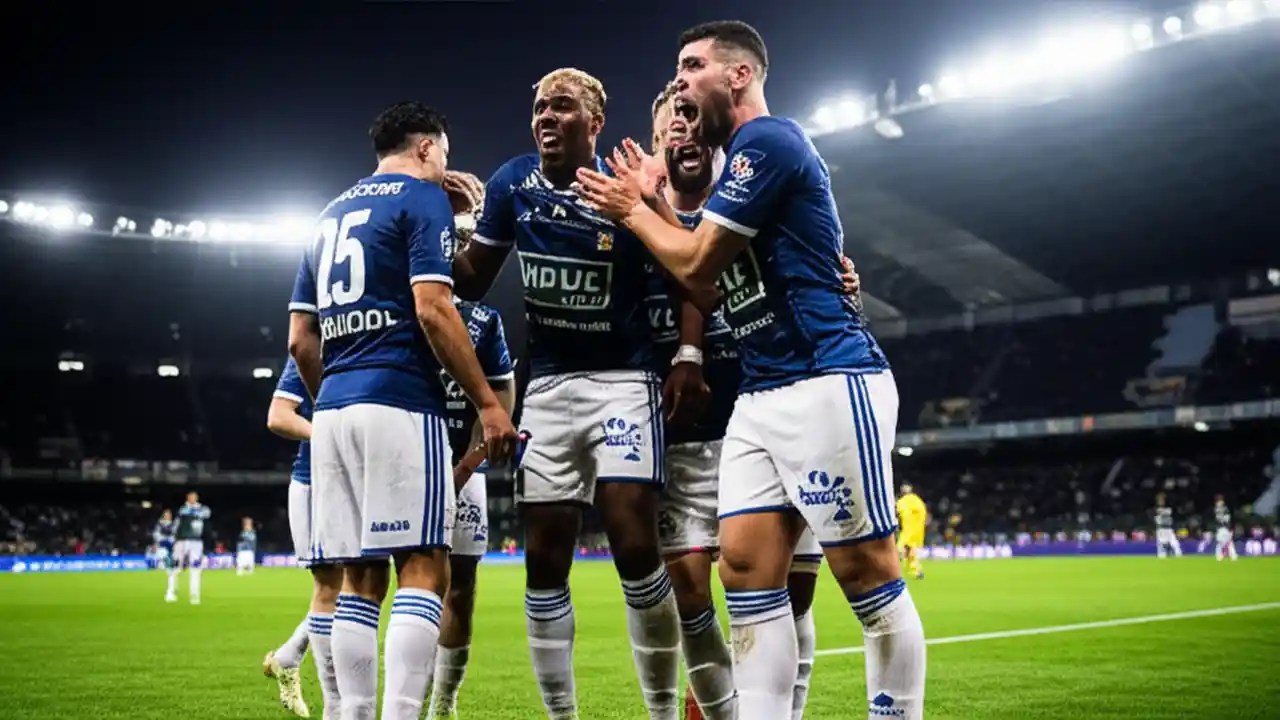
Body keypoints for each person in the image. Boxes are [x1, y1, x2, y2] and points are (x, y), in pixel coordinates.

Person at [575, 21, 927, 720]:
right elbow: (703, 271)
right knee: (744, 575)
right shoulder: (732, 170)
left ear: (738, 75)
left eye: (692, 65)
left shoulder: (769, 141)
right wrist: (649, 203)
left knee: (867, 578)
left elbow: (698, 263)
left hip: (828, 379)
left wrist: (632, 213)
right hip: (762, 397)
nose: (680, 80)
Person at [450, 68, 682, 719]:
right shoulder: (511, 183)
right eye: (540, 107)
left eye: (562, 106)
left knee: (635, 542)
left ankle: (662, 710)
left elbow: (685, 266)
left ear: (594, 123)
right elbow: (470, 280)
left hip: (624, 381)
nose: (546, 116)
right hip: (547, 388)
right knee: (544, 561)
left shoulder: (620, 188)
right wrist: (429, 230)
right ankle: (562, 716)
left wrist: (651, 206)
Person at [288, 101, 518, 720]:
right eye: (443, 154)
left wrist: (335, 394)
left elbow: (299, 340)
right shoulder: (422, 199)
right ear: (427, 147)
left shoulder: (328, 214)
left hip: (333, 408)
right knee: (424, 569)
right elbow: (434, 307)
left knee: (359, 579)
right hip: (399, 401)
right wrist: (488, 405)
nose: (445, 166)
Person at [647, 85, 858, 720]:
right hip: (684, 434)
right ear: (654, 145)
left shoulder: (750, 206)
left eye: (691, 119)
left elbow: (806, 271)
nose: (682, 132)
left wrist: (841, 279)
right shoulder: (632, 221)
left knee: (788, 598)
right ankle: (714, 706)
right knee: (693, 592)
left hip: (770, 409)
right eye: (669, 127)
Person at [427, 217, 518, 719]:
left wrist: (467, 464)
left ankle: (444, 704)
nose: (457, 249)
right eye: (451, 240)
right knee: (408, 583)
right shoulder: (407, 306)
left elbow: (502, 397)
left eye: (464, 242)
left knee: (461, 585)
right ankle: (406, 701)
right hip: (409, 462)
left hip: (465, 470)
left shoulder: (484, 320)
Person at [264, 356, 343, 718]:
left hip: (358, 482)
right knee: (330, 589)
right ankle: (337, 707)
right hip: (316, 482)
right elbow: (278, 415)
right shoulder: (316, 350)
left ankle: (289, 656)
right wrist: (328, 434)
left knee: (361, 588)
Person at [172, 491, 211, 605]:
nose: (193, 499)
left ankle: (194, 594)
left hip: (196, 541)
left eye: (194, 497)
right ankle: (172, 590)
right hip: (182, 540)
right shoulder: (183, 509)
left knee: (196, 568)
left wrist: (197, 510)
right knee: (177, 568)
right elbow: (183, 516)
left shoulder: (202, 509)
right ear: (187, 498)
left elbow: (207, 513)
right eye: (191, 497)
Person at [896, 485, 927, 580]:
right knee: (911, 551)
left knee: (899, 548)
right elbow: (924, 513)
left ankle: (895, 572)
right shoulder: (918, 500)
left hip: (907, 530)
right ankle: (915, 571)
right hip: (918, 530)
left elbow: (898, 512)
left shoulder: (902, 501)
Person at [153, 509, 178, 602]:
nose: (168, 516)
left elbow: (176, 535)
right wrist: (165, 539)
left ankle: (171, 590)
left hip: (172, 549)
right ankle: (170, 591)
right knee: (169, 570)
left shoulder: (173, 525)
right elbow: (156, 535)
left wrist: (173, 540)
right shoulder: (160, 524)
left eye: (169, 514)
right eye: (166, 514)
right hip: (163, 549)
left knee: (172, 570)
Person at [1153, 493, 1181, 559]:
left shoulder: (1169, 507)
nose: (1161, 501)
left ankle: (1179, 557)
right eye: (1159, 499)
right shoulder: (1155, 508)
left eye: (1162, 499)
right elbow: (1156, 516)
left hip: (1169, 529)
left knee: (1175, 544)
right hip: (1161, 529)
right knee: (1162, 546)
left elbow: (1172, 513)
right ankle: (1162, 559)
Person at [1213, 495, 1237, 561]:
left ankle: (1233, 555)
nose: (1219, 503)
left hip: (1226, 528)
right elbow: (1218, 519)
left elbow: (1227, 519)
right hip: (1220, 529)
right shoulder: (1216, 509)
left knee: (1229, 542)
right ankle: (1219, 556)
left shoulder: (1225, 509)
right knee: (1220, 543)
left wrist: (1230, 528)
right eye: (1218, 502)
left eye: (1220, 501)